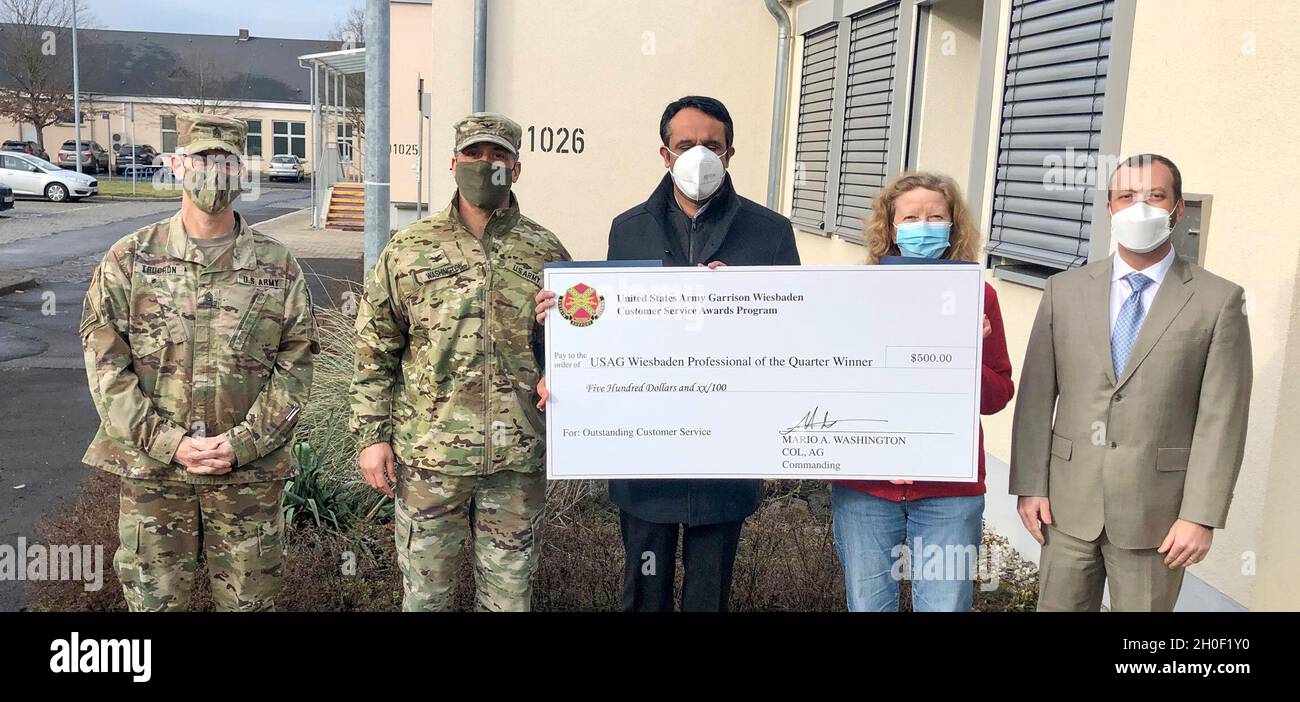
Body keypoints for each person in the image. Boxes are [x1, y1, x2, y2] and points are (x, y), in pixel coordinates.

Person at [535, 96, 800, 611]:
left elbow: (792, 330)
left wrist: (749, 303)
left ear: (730, 153)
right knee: (643, 593)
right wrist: (564, 324)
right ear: (664, 153)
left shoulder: (769, 232)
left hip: (727, 447)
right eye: (686, 145)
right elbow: (610, 328)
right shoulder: (629, 227)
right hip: (645, 446)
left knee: (709, 596)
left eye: (712, 145)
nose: (699, 155)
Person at [80, 113, 318, 611]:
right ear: (175, 164)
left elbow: (295, 368)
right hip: (156, 478)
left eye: (226, 162)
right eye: (201, 159)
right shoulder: (130, 260)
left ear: (242, 172)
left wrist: (243, 444)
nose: (214, 172)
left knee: (252, 605)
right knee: (154, 605)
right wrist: (172, 444)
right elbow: (107, 370)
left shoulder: (277, 266)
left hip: (247, 478)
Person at [1011, 154, 1253, 611]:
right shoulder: (1064, 290)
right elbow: (1037, 395)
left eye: (1155, 196)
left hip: (1157, 519)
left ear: (1177, 210)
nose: (1139, 207)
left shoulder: (1219, 301)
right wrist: (1030, 484)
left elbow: (1223, 419)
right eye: (1126, 196)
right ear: (1109, 209)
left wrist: (1200, 516)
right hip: (1067, 505)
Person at [350, 113, 571, 612]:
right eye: (475, 154)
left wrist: (557, 355)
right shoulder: (410, 248)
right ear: (454, 163)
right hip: (430, 458)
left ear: (517, 169)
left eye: (499, 156)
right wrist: (371, 437)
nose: (486, 164)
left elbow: (572, 347)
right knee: (427, 597)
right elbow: (375, 347)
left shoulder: (545, 250)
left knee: (510, 600)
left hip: (516, 456)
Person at [830, 172, 1014, 611]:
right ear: (890, 229)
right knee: (868, 606)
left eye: (936, 216)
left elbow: (997, 397)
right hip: (867, 486)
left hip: (949, 489)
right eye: (910, 216)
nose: (923, 225)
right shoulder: (853, 294)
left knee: (945, 606)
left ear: (953, 226)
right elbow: (832, 382)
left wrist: (968, 354)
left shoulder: (979, 297)